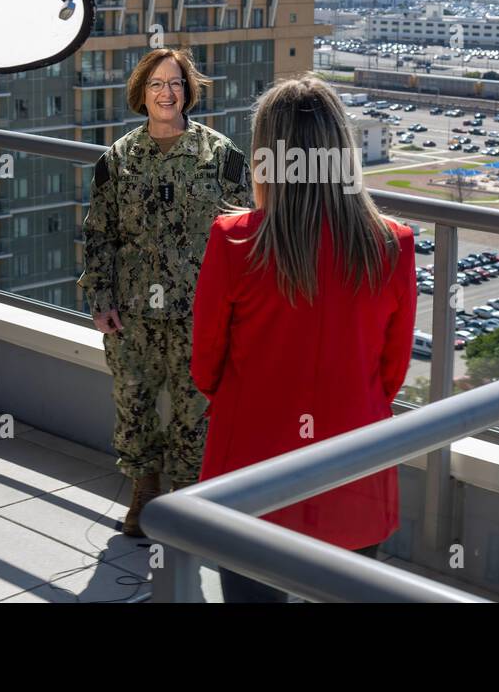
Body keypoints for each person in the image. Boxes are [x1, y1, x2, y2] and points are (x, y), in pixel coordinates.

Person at [190, 75, 416, 602]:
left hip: (252, 468)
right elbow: (392, 372)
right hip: (354, 464)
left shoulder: (234, 241)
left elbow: (206, 365)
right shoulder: (392, 245)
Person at [77, 47, 251, 537]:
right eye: (156, 84)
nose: (166, 93)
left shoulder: (221, 156)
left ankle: (188, 503)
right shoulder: (117, 158)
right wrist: (101, 300)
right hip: (131, 309)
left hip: (199, 310)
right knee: (133, 401)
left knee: (195, 409)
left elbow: (244, 237)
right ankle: (144, 492)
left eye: (174, 83)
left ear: (187, 91)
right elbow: (99, 234)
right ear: (142, 92)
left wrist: (239, 312)